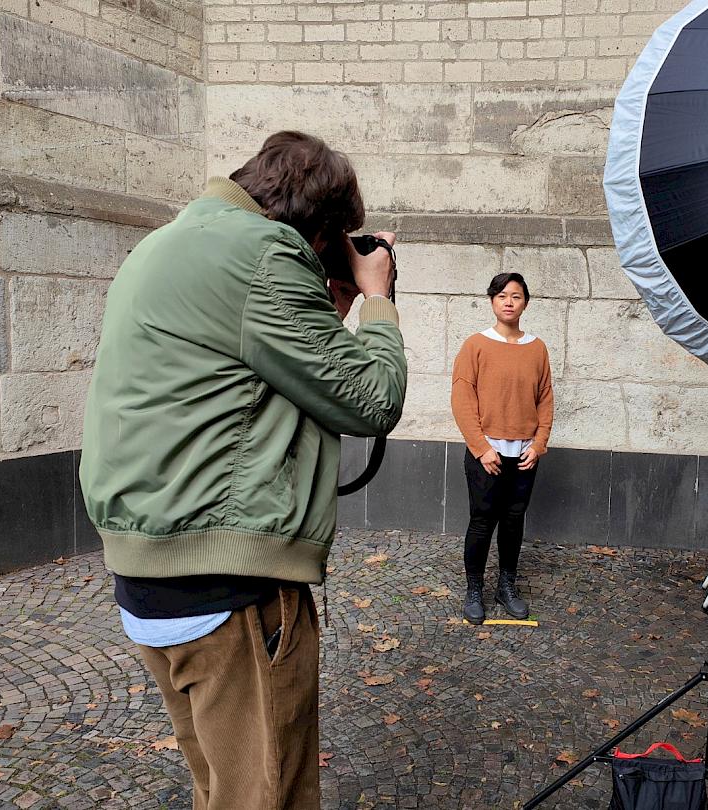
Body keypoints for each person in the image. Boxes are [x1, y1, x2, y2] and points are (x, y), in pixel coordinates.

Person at [79, 131, 407, 809]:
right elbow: (372, 400)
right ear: (320, 232)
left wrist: (329, 301)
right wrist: (376, 297)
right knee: (266, 798)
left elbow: (261, 381)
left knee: (222, 792)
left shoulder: (171, 242)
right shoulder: (262, 254)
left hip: (151, 581)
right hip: (229, 592)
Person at [450, 272, 554, 625]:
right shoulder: (475, 345)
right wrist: (481, 448)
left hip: (525, 453)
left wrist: (538, 445)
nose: (509, 302)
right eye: (502, 296)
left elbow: (545, 399)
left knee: (513, 522)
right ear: (492, 301)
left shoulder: (537, 348)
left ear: (526, 302)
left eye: (516, 296)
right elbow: (463, 400)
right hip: (487, 454)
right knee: (482, 522)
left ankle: (506, 586)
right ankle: (474, 589)